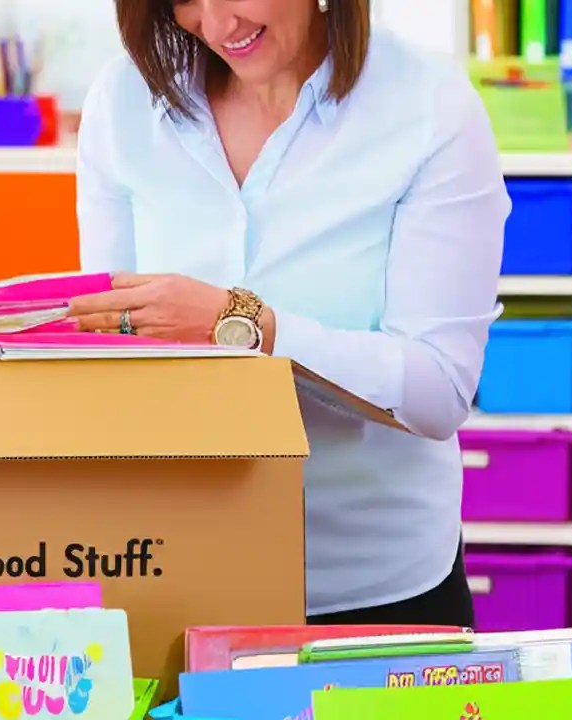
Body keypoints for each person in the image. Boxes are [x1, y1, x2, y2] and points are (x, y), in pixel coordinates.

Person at [67, 0, 509, 627]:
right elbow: (109, 340)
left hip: (373, 586)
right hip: (177, 570)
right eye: (184, 0)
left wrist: (246, 326)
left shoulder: (428, 105)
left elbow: (438, 391)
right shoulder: (124, 100)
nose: (217, 26)